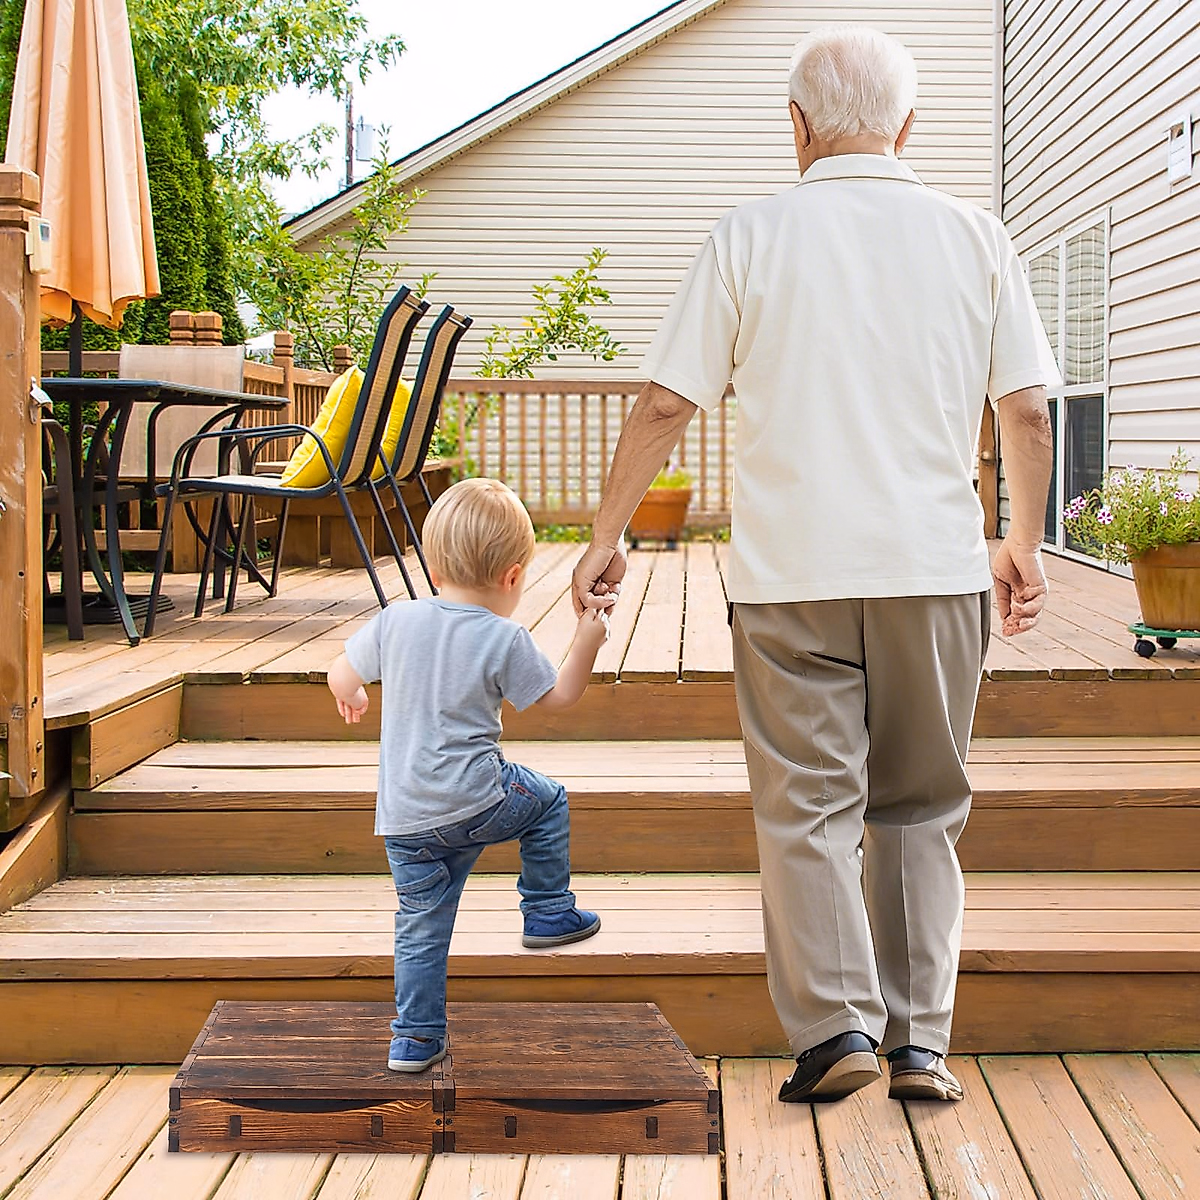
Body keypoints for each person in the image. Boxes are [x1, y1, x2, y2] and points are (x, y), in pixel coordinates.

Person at [573, 26, 1057, 1103]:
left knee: (807, 807)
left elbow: (664, 402)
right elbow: (1025, 407)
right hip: (933, 572)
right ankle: (921, 1045)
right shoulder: (977, 239)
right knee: (921, 809)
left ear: (796, 126)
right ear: (908, 127)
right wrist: (1021, 544)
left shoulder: (748, 237)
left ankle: (837, 1033)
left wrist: (603, 538)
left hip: (791, 582)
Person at [329, 477, 610, 1072]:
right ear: (512, 577)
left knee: (420, 927)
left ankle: (415, 1039)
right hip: (481, 801)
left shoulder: (395, 620)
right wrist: (588, 637)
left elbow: (339, 674)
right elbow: (558, 700)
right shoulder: (504, 636)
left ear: (433, 567)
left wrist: (353, 693)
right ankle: (547, 909)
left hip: (404, 820)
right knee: (549, 799)